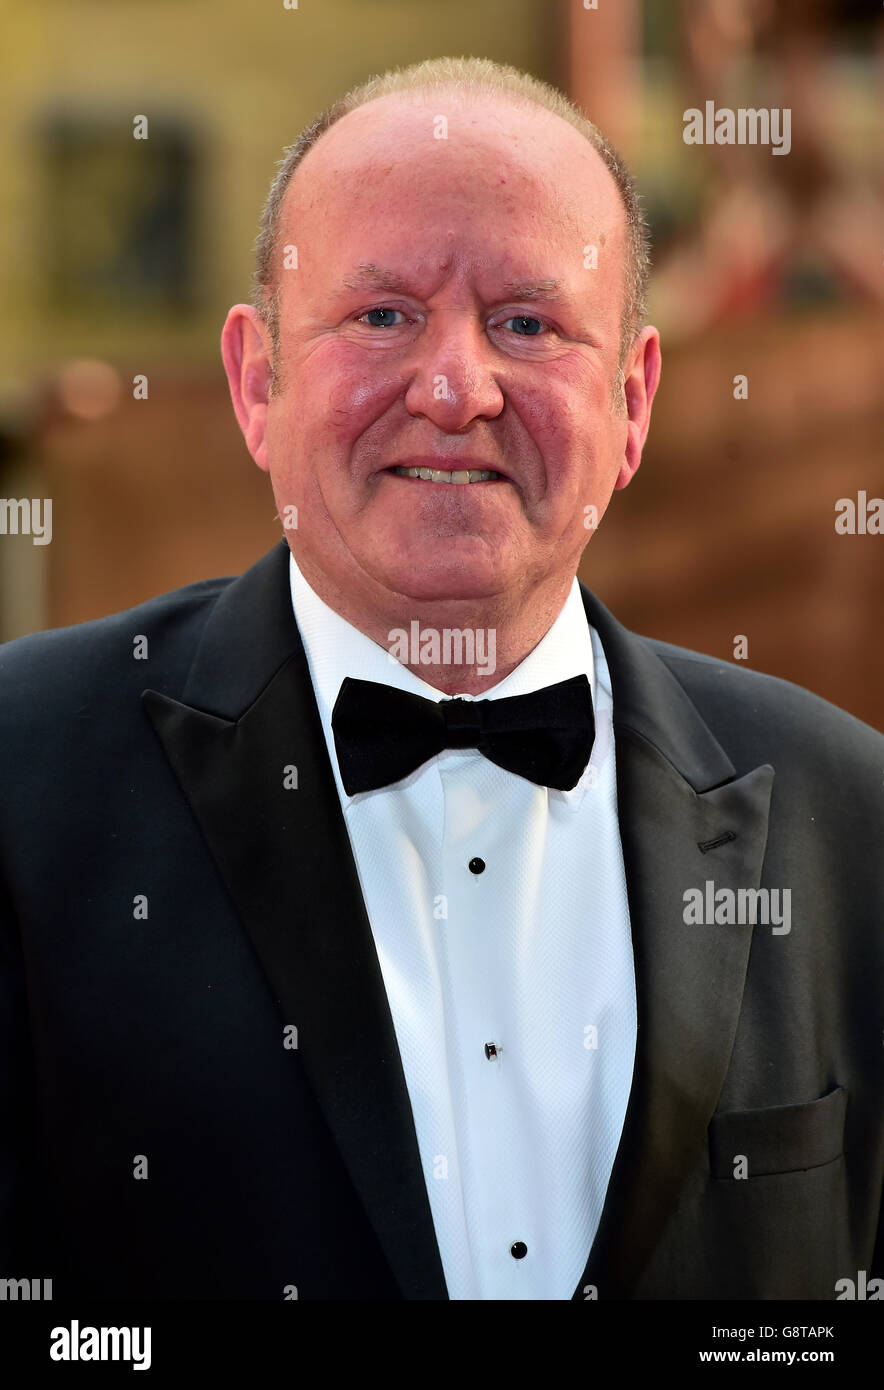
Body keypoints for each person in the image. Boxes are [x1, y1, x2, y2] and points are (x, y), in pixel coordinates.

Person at [0, 56, 881, 1302]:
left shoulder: (848, 816)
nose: (455, 388)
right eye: (380, 316)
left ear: (632, 403)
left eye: (527, 321)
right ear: (258, 385)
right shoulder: (20, 780)